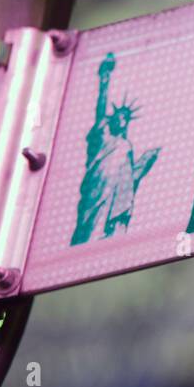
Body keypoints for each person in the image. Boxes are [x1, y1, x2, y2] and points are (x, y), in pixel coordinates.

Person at [71, 52, 160, 245]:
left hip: (114, 200)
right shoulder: (102, 134)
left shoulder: (126, 146)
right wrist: (105, 79)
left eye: (125, 118)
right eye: (118, 116)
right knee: (87, 232)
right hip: (96, 188)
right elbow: (101, 107)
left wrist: (146, 161)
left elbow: (129, 177)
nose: (121, 119)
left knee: (105, 237)